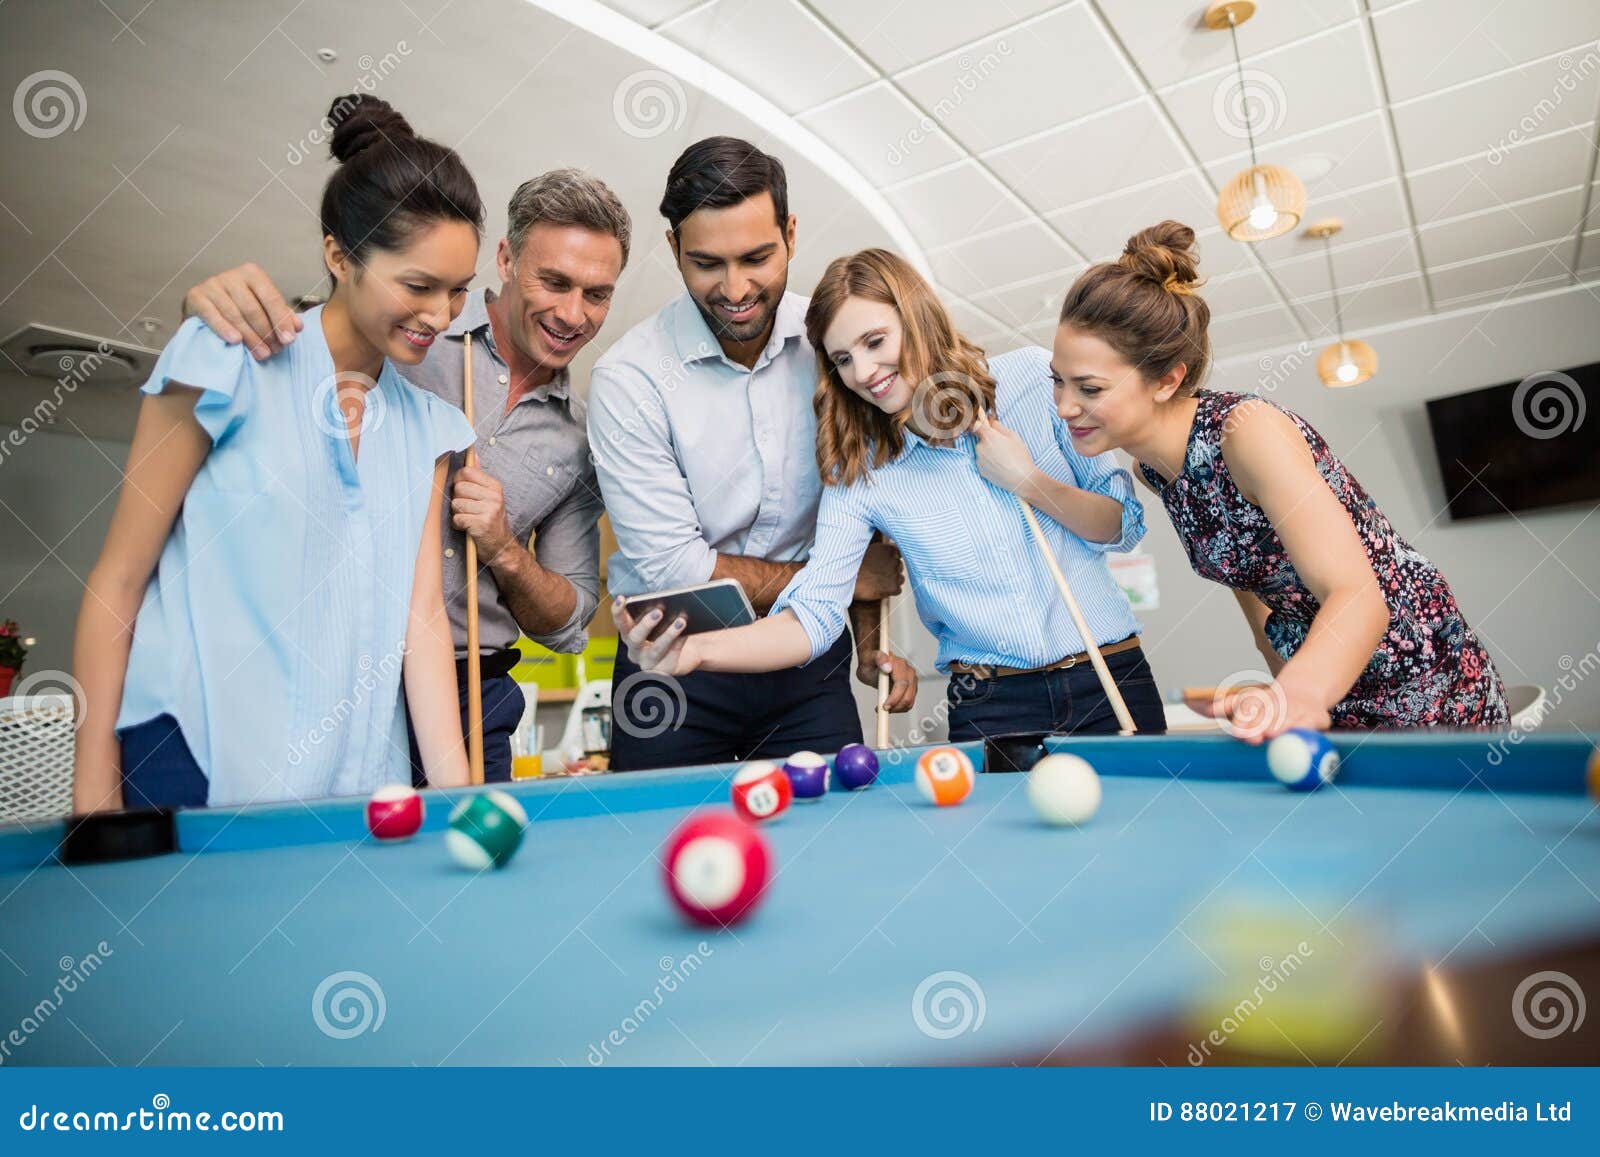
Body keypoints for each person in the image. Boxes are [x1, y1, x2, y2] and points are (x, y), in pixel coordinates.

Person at [73, 94, 481, 811]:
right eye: (418, 285)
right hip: (191, 759)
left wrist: (460, 795)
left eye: (458, 292)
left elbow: (419, 617)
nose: (441, 316)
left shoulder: (432, 429)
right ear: (338, 257)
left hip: (353, 780)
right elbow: (118, 579)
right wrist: (93, 798)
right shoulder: (224, 357)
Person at [179, 170, 630, 782]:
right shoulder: (413, 330)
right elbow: (291, 348)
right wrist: (215, 309)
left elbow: (572, 622)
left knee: (470, 868)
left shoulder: (580, 438)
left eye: (597, 294)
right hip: (331, 668)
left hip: (474, 691)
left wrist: (503, 549)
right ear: (505, 258)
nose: (573, 313)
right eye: (553, 281)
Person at [615, 248, 1167, 741]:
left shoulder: (1030, 380)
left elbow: (1121, 526)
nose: (864, 372)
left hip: (1109, 677)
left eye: (875, 341)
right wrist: (696, 650)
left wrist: (1029, 482)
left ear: (918, 320)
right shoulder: (863, 472)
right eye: (842, 359)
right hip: (993, 708)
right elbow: (812, 617)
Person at [1051, 220, 1508, 741]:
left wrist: (1300, 694)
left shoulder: (1247, 433)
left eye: (1088, 387)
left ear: (1167, 379)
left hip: (1415, 668)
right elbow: (1249, 586)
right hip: (1318, 676)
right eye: (1058, 381)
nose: (1065, 406)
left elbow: (1357, 595)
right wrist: (1282, 690)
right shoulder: (1154, 471)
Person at [589, 139, 915, 771]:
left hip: (807, 667)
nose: (735, 288)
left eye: (756, 257)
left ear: (790, 234)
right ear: (674, 248)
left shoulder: (834, 346)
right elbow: (675, 569)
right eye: (707, 262)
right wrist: (841, 580)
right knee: (666, 852)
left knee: (830, 844)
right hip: (673, 663)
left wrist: (871, 642)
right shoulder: (628, 378)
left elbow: (863, 501)